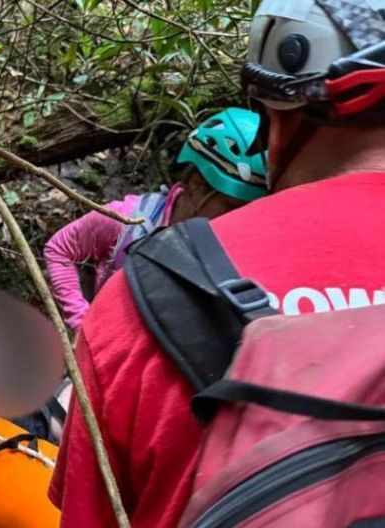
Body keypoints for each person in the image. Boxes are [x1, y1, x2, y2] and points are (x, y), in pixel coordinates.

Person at [50, 2, 385, 526]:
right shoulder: (125, 220)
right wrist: (78, 313)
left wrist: (92, 323)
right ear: (195, 181)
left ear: (274, 117)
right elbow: (61, 250)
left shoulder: (141, 301)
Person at [44, 108, 268, 329]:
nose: (243, 217)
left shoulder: (242, 247)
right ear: (197, 186)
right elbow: (60, 248)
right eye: (234, 206)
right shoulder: (129, 220)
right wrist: (81, 320)